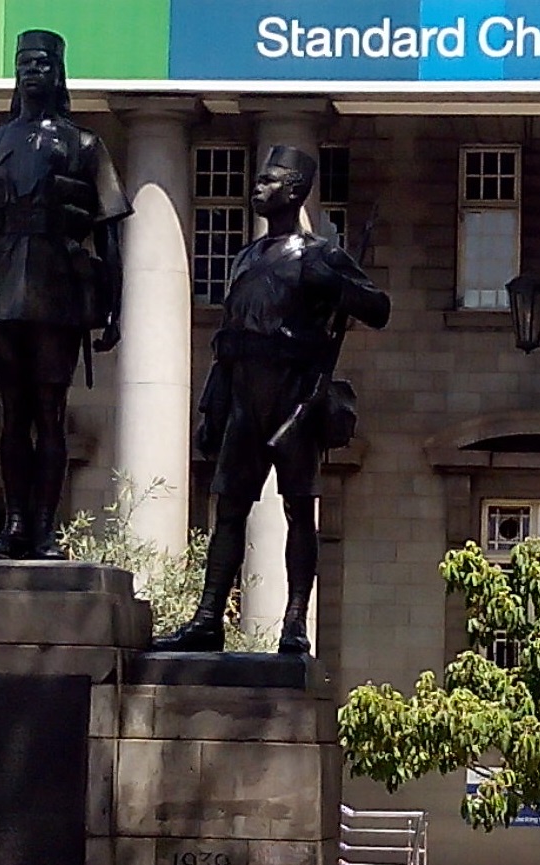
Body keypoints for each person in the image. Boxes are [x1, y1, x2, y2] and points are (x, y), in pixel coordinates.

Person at [153, 144, 390, 655]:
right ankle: (209, 616)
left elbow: (378, 307)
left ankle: (295, 621)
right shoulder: (245, 257)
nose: (256, 187)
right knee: (229, 509)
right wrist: (211, 407)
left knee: (299, 510)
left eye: (269, 180)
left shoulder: (321, 254)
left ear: (297, 191)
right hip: (242, 397)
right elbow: (228, 339)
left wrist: (336, 286)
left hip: (293, 397)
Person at [0, 29, 131, 560]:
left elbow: (110, 234)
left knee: (50, 410)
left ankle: (44, 529)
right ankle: (15, 522)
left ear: (58, 73)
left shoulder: (85, 145)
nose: (33, 71)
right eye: (24, 63)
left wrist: (113, 308)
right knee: (11, 413)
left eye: (43, 63)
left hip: (57, 291)